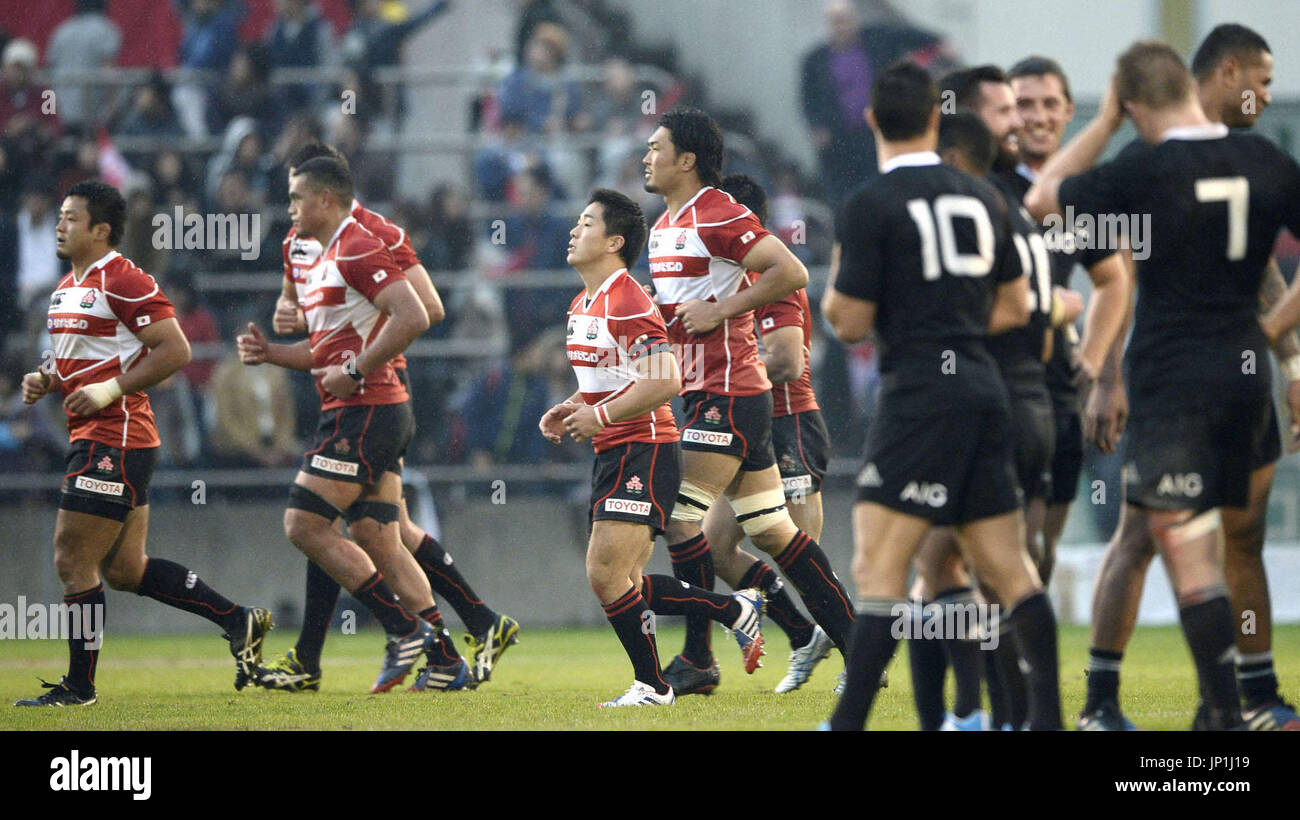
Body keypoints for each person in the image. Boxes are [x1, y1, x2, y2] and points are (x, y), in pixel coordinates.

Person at [1026, 40, 1300, 730]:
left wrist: (1104, 122)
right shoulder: (1265, 161)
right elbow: (1138, 271)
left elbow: (1045, 202)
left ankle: (1236, 706)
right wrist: (1271, 344)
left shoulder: (1140, 167)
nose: (1265, 96)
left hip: (1175, 380)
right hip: (1236, 374)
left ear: (1131, 102)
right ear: (1217, 76)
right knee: (1163, 539)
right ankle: (1135, 702)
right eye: (1261, 82)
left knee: (1197, 545)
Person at [823, 62, 1062, 731]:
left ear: (871, 119)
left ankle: (848, 723)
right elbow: (1017, 306)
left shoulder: (870, 203)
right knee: (1009, 569)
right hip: (987, 390)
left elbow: (849, 323)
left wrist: (910, 320)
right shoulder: (983, 196)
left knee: (879, 566)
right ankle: (1047, 720)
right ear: (937, 117)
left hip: (920, 394)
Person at [255, 143, 518, 691]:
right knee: (378, 533)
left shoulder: (370, 238)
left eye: (298, 195)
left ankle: (401, 634)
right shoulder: (300, 243)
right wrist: (285, 327)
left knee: (312, 522)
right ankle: (453, 646)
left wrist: (358, 362)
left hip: (371, 400)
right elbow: (304, 317)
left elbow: (424, 312)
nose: (291, 208)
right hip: (353, 399)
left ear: (329, 193)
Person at [15, 180, 271, 707]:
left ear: (100, 230)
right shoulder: (66, 288)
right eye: (59, 216)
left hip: (118, 438)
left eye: (70, 218)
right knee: (126, 570)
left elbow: (175, 350)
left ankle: (79, 688)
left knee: (71, 558)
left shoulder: (124, 279)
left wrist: (109, 388)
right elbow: (78, 362)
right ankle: (239, 621)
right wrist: (45, 378)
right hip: (104, 437)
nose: (59, 225)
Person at [643, 106, 856, 695]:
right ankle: (852, 645)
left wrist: (722, 310)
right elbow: (682, 315)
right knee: (772, 533)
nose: (646, 156)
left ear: (686, 159)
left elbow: (790, 272)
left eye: (656, 147)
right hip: (709, 394)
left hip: (733, 394)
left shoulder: (718, 210)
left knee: (681, 517)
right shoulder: (664, 228)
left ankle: (698, 659)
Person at [541, 188, 765, 706]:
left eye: (586, 223)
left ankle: (653, 685)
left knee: (605, 573)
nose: (575, 231)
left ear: (615, 241)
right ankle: (733, 612)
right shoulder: (583, 302)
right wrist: (573, 402)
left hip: (644, 448)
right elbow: (616, 376)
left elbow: (665, 380)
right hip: (614, 451)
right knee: (626, 579)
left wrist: (596, 415)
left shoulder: (628, 299)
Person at [699, 173, 838, 694]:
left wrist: (728, 366)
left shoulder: (776, 281)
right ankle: (805, 636)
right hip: (745, 426)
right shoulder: (722, 286)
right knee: (713, 548)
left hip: (789, 425)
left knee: (797, 553)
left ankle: (857, 654)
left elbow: (784, 361)